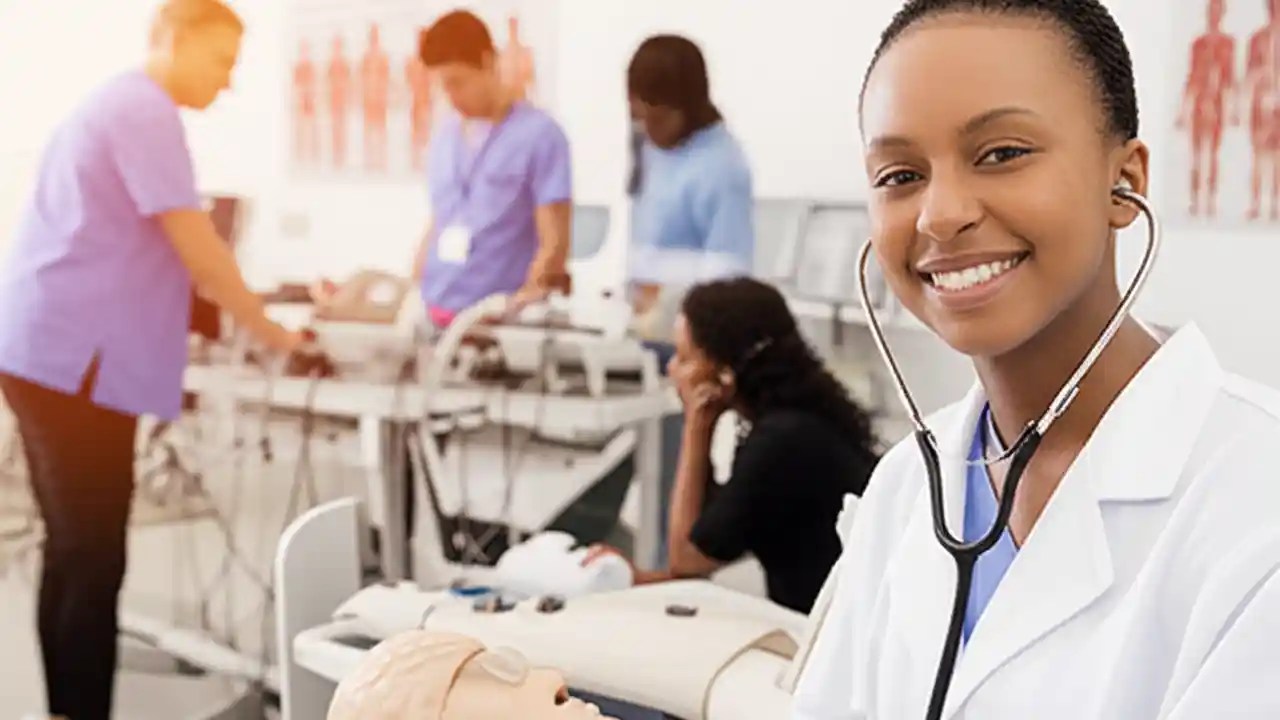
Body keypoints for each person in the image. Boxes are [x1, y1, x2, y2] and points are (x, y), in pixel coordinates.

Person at [792, 1, 1280, 718]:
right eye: (900, 174)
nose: (940, 214)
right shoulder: (905, 487)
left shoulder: (1257, 499)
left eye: (1002, 154)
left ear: (1125, 181)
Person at [0, 1, 302, 717]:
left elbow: (147, 249)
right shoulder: (143, 110)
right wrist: (278, 336)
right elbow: (198, 249)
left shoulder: (117, 104)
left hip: (49, 351)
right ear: (173, 38)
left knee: (75, 548)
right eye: (220, 60)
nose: (226, 81)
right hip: (70, 362)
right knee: (92, 551)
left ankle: (68, 708)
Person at [586, 279, 878, 613]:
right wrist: (637, 580)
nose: (671, 368)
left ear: (725, 373)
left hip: (830, 629)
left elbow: (688, 559)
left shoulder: (782, 443)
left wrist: (697, 426)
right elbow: (712, 535)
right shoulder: (795, 423)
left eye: (684, 358)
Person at [624, 35, 756, 567]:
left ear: (687, 104)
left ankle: (667, 578)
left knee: (671, 486)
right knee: (611, 467)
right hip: (637, 335)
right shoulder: (651, 149)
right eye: (639, 115)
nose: (647, 128)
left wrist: (660, 290)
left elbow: (729, 271)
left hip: (680, 346)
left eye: (656, 115)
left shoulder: (722, 166)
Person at [412, 9, 572, 328]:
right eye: (443, 86)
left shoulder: (540, 136)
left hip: (496, 319)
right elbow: (440, 221)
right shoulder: (445, 136)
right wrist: (412, 289)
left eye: (458, 83)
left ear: (488, 62)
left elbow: (553, 243)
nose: (451, 96)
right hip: (435, 308)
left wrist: (521, 305)